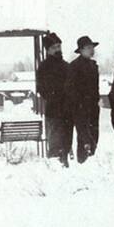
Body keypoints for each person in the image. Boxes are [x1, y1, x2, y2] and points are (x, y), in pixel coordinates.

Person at [35, 32, 71, 163]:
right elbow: (42, 89)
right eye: (54, 47)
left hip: (67, 111)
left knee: (67, 144)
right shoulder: (44, 68)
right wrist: (55, 96)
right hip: (54, 111)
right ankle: (56, 168)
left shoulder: (67, 66)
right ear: (48, 50)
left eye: (59, 46)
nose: (58, 50)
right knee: (55, 145)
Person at [65, 35, 101, 163]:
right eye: (88, 48)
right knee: (85, 137)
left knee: (94, 135)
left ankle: (91, 161)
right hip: (80, 108)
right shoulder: (74, 66)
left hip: (93, 107)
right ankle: (83, 162)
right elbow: (70, 89)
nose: (91, 50)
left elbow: (95, 88)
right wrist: (78, 105)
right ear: (80, 50)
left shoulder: (93, 65)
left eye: (92, 47)